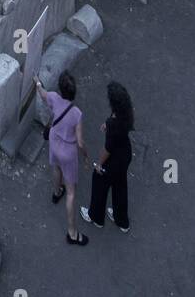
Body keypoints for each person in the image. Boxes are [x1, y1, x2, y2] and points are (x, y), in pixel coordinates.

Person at [35, 70, 90, 246]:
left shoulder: (53, 98)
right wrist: (86, 157)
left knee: (56, 168)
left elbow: (42, 93)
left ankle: (56, 192)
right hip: (68, 151)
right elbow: (80, 143)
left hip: (54, 142)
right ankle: (72, 233)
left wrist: (36, 80)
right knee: (72, 193)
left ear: (60, 88)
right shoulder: (77, 114)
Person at [81, 80, 134, 234]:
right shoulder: (127, 112)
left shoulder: (113, 125)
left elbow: (107, 149)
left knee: (99, 182)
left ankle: (95, 216)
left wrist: (98, 164)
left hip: (113, 160)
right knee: (120, 185)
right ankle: (121, 220)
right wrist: (108, 122)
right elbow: (115, 119)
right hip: (125, 155)